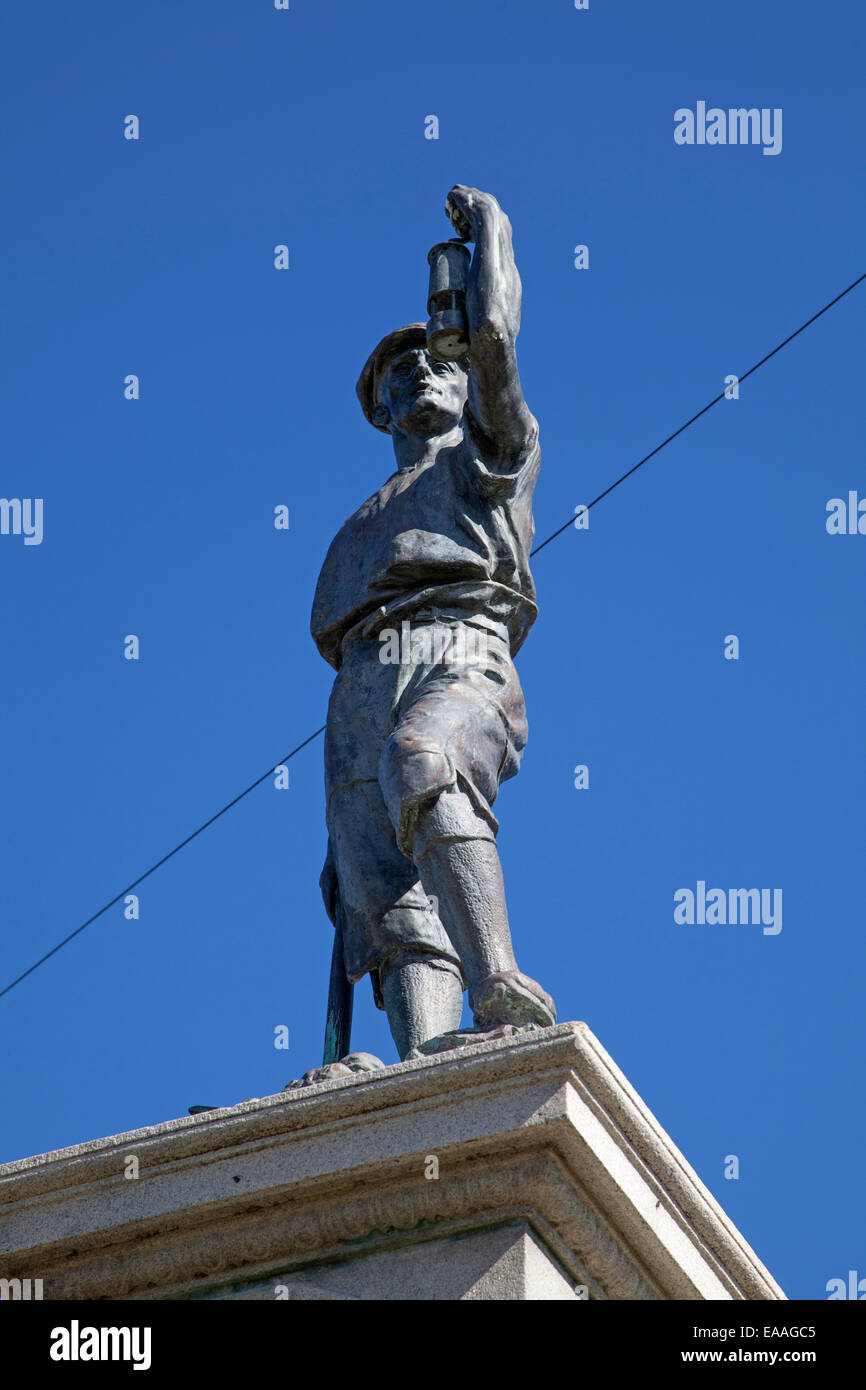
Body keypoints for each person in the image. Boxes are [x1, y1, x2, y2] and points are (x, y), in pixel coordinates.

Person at [310, 185, 556, 1068]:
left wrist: (494, 239)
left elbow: (494, 344)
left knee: (427, 758)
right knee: (374, 892)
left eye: (433, 363)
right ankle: (424, 1064)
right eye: (397, 374)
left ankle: (498, 982)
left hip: (456, 641)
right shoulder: (355, 524)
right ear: (378, 409)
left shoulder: (493, 450)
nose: (419, 374)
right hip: (357, 683)